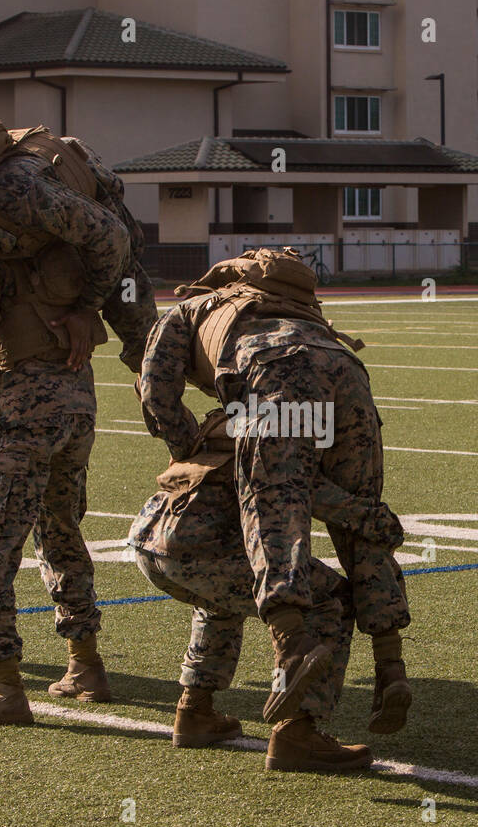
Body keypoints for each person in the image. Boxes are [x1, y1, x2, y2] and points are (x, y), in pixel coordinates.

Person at [0, 130, 157, 725]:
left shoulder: (20, 203)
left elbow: (113, 240)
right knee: (59, 531)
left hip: (21, 415)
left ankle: (2, 686)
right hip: (75, 403)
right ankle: (85, 665)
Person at [139, 248, 412, 737]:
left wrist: (193, 449)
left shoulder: (195, 310)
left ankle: (289, 670)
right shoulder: (310, 323)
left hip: (268, 375)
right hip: (348, 374)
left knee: (269, 505)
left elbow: (156, 393)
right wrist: (365, 515)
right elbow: (319, 495)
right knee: (361, 520)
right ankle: (390, 665)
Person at [129, 409, 406, 770]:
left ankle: (195, 710)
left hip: (151, 540)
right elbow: (307, 490)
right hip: (203, 544)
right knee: (330, 600)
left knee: (219, 600)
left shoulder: (243, 411)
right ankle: (297, 731)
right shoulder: (291, 421)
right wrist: (374, 519)